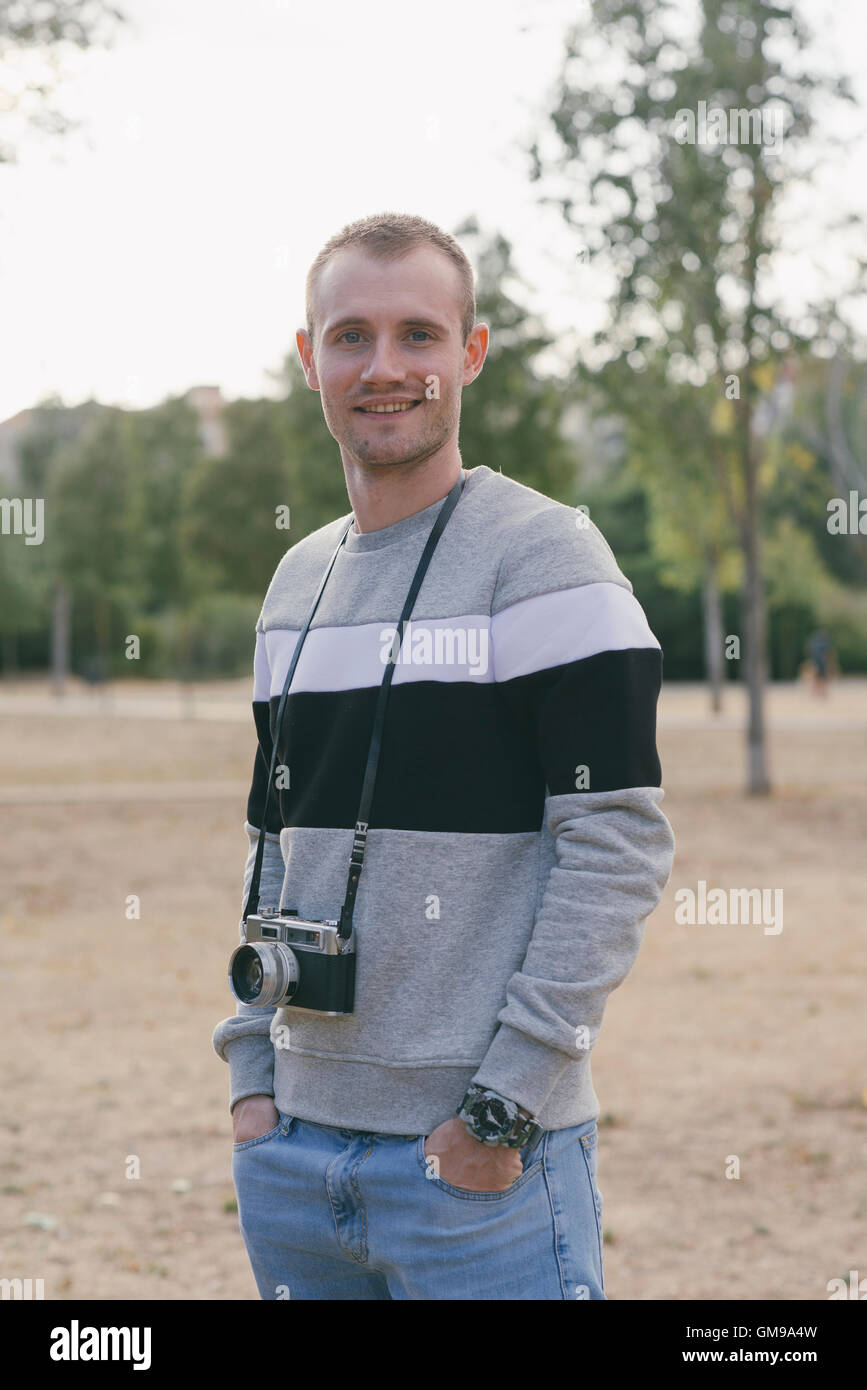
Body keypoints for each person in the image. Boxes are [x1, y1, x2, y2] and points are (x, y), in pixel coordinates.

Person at [212, 212, 676, 1301]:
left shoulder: (546, 555)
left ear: (469, 354)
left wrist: (501, 1108)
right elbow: (270, 845)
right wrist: (251, 1079)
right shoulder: (296, 583)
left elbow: (615, 843)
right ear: (307, 358)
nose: (385, 368)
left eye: (419, 335)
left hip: (476, 1169)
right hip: (293, 1155)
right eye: (351, 336)